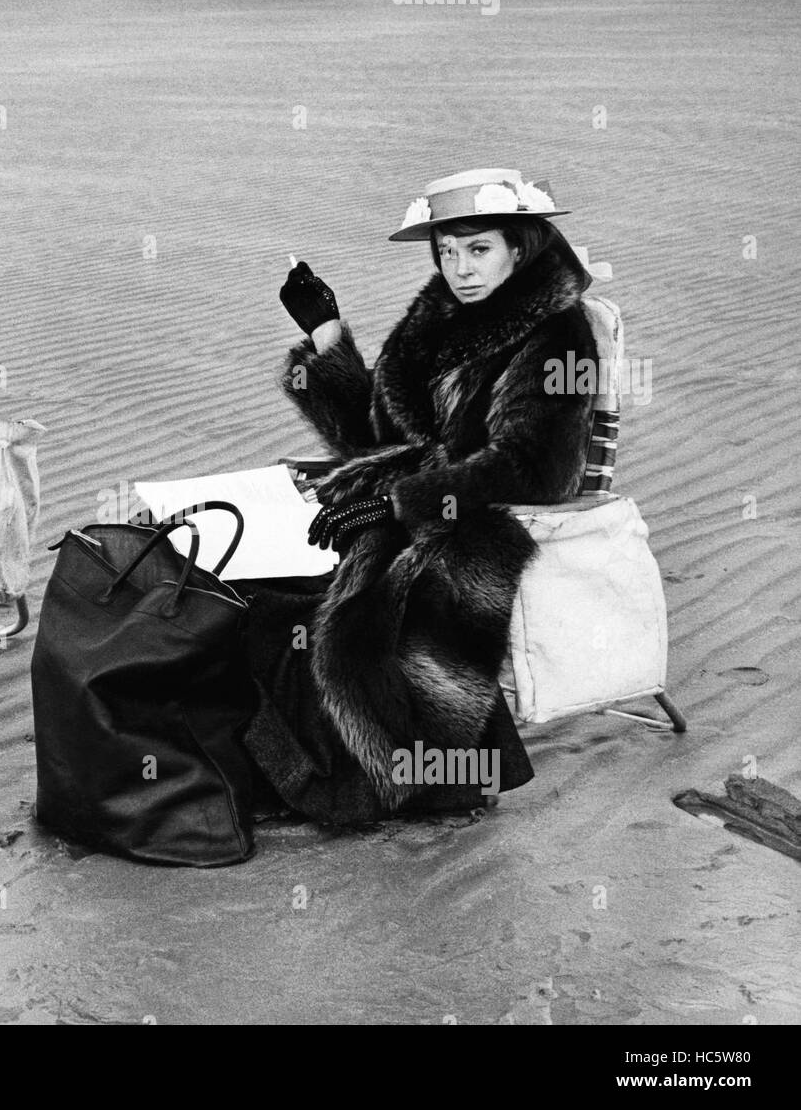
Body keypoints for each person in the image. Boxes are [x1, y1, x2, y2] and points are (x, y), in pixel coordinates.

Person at [236, 167, 599, 825]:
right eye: (447, 250)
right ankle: (325, 771)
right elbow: (374, 434)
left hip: (480, 524)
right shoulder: (437, 317)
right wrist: (325, 333)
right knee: (252, 582)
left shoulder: (557, 335)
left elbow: (531, 467)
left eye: (479, 248)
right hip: (417, 508)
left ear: (520, 247)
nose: (460, 267)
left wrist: (402, 503)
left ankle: (367, 783)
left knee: (328, 618)